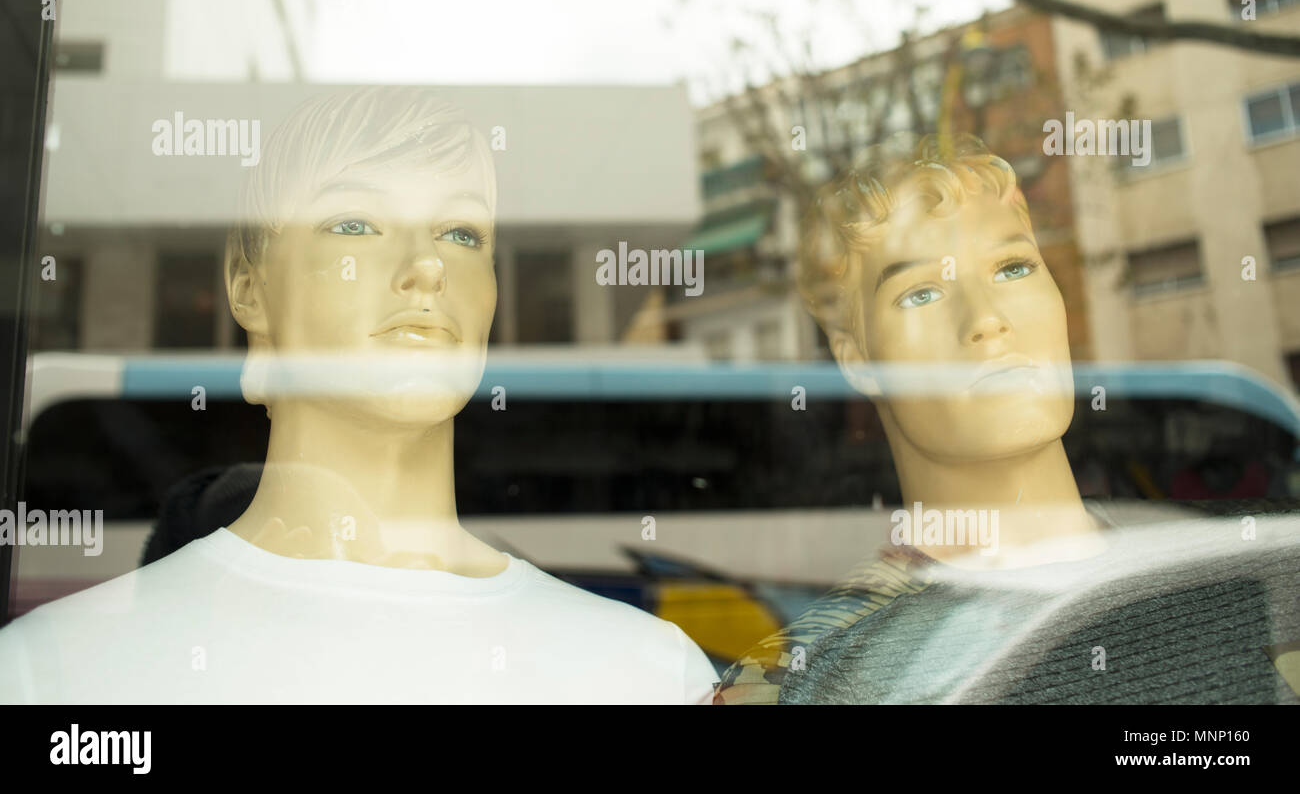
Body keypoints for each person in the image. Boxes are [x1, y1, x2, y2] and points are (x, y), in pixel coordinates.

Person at [0, 86, 717, 703]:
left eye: (463, 232)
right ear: (248, 284)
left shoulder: (647, 675)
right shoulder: (49, 676)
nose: (427, 266)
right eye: (354, 223)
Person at [715, 133, 1115, 704]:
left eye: (1013, 268)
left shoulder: (1230, 590)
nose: (986, 319)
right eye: (921, 294)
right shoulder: (808, 680)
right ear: (857, 360)